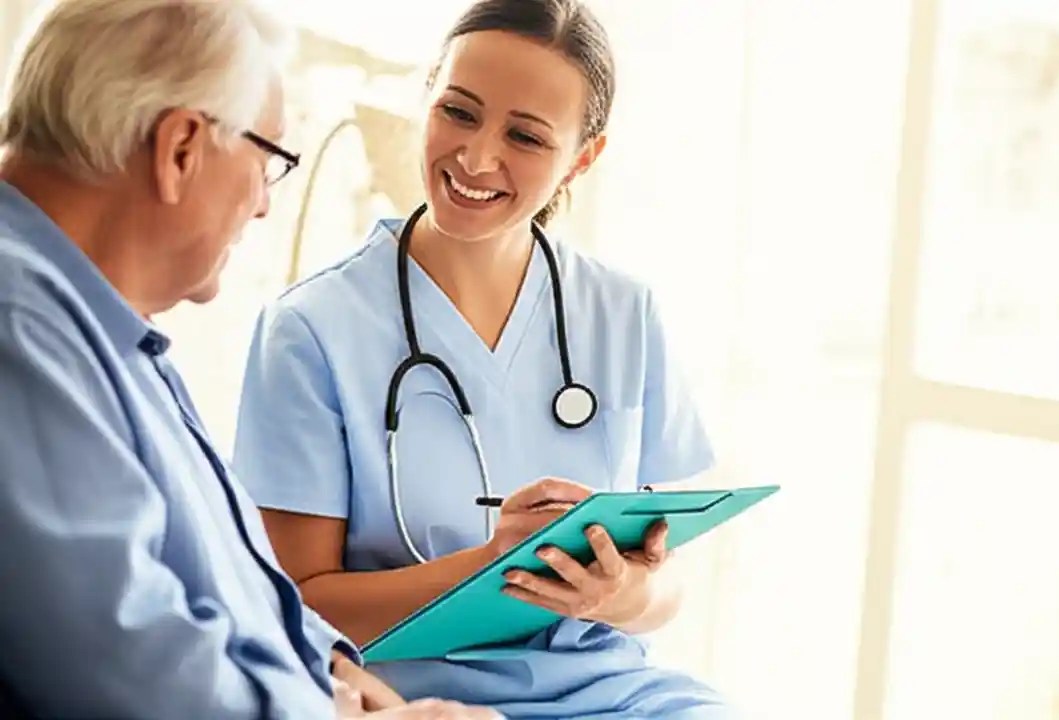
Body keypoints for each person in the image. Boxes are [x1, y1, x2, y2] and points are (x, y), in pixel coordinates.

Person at [231, 0, 735, 718]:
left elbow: (666, 584)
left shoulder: (624, 313)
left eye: (525, 136)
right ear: (427, 98)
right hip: (407, 698)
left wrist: (622, 593)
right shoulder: (312, 330)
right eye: (459, 113)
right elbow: (296, 603)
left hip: (611, 691)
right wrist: (493, 568)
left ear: (582, 159)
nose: (474, 158)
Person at [0, 1, 501, 717]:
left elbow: (237, 584)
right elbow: (124, 669)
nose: (265, 205)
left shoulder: (108, 336)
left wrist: (343, 680)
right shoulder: (18, 327)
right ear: (181, 149)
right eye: (269, 160)